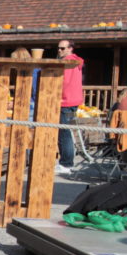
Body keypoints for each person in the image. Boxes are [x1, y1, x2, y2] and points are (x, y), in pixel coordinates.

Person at [55, 40, 84, 175]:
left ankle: (66, 164)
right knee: (67, 133)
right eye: (58, 48)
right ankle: (67, 162)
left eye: (62, 48)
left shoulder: (67, 63)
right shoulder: (76, 62)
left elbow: (62, 82)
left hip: (65, 101)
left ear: (70, 48)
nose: (59, 51)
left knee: (64, 134)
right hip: (73, 101)